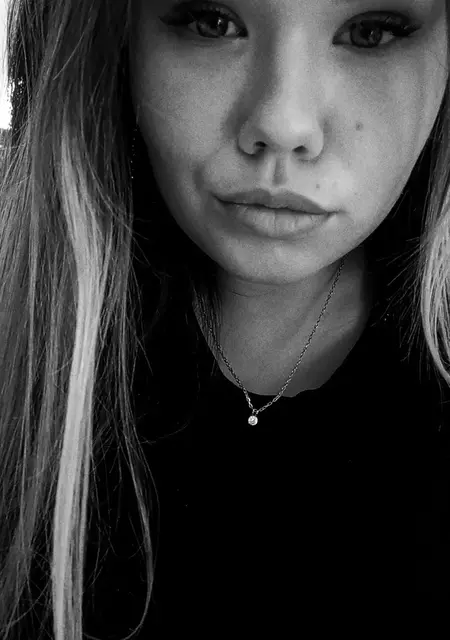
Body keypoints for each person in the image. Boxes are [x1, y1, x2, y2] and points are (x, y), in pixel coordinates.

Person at [1, 0, 450, 637]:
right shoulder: (22, 366)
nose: (284, 124)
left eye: (370, 32)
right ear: (119, 44)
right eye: (212, 22)